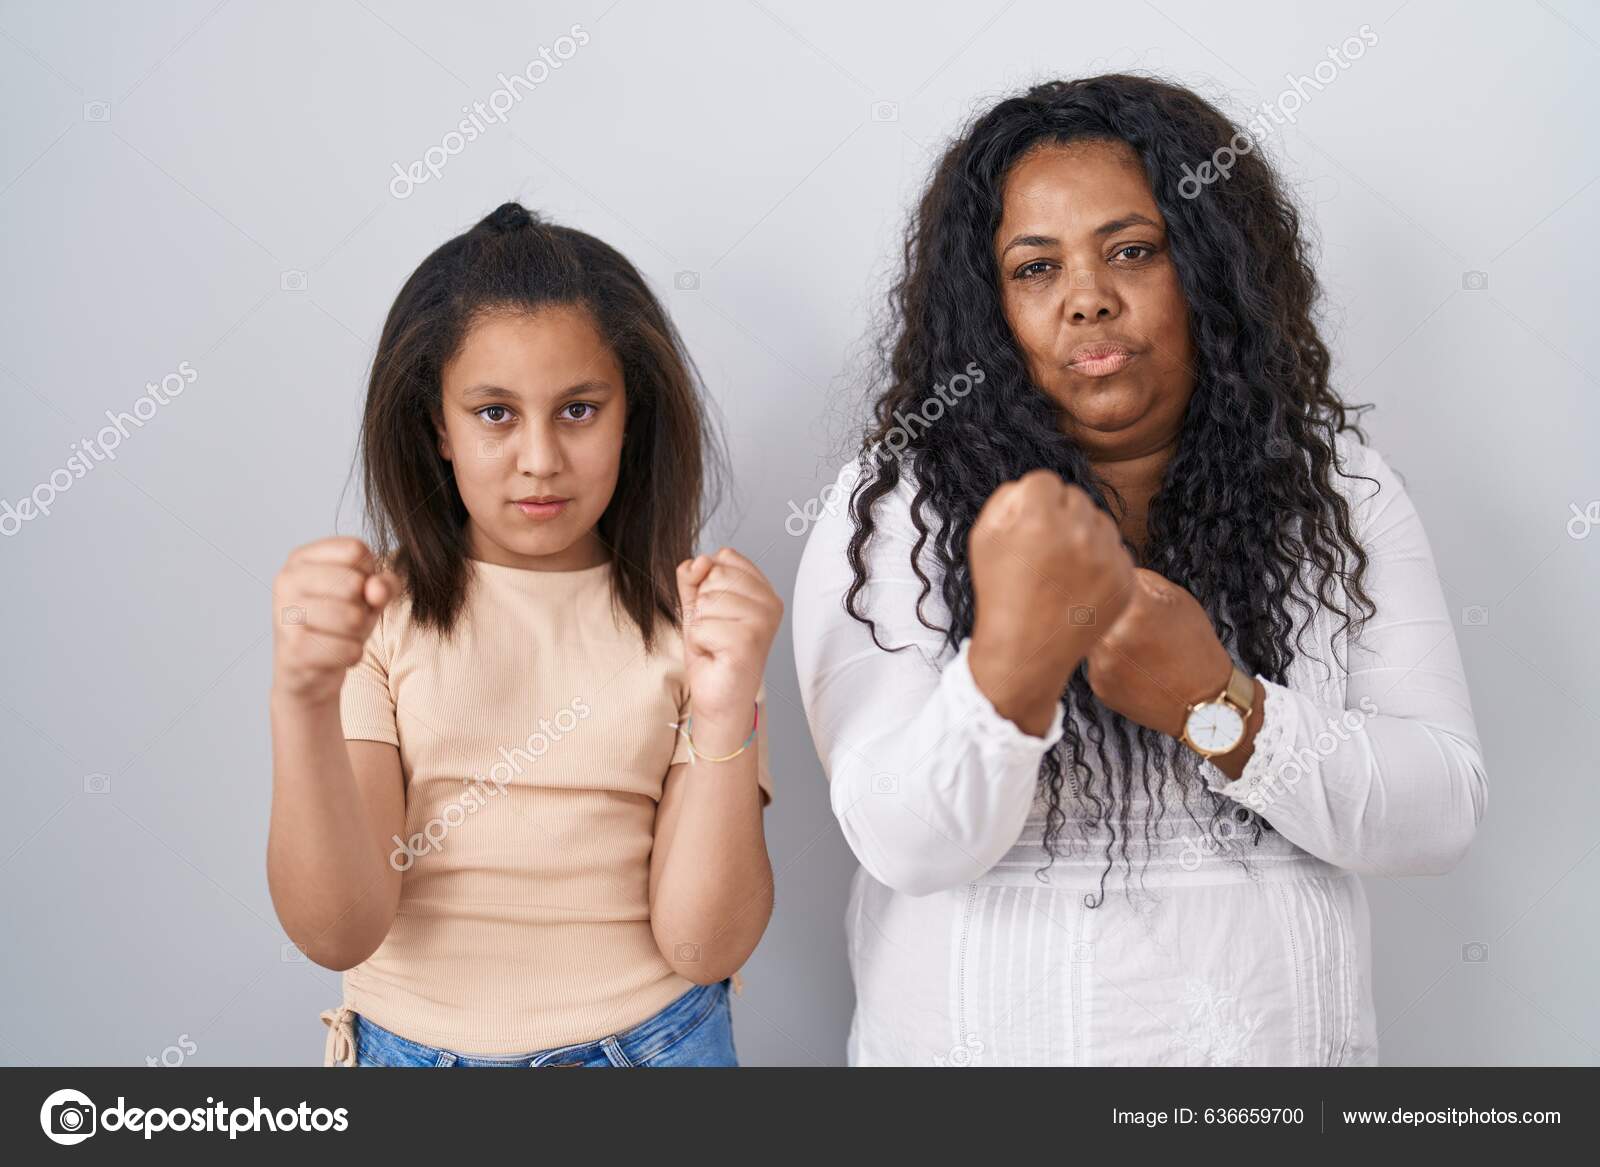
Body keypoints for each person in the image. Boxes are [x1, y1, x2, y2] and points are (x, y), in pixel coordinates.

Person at [792, 76, 1486, 1066]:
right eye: (1034, 268)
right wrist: (1013, 669)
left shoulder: (1337, 490)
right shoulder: (902, 503)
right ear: (986, 309)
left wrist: (1219, 704)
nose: (1086, 298)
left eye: (1132, 251)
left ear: (1207, 269)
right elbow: (905, 841)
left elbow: (1439, 811)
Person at [267, 202, 780, 1067]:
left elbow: (706, 948)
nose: (539, 457)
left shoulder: (699, 620)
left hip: (657, 1048)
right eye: (495, 413)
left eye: (578, 410)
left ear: (631, 415)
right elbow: (337, 931)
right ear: (437, 423)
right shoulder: (376, 615)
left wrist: (726, 713)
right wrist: (301, 701)